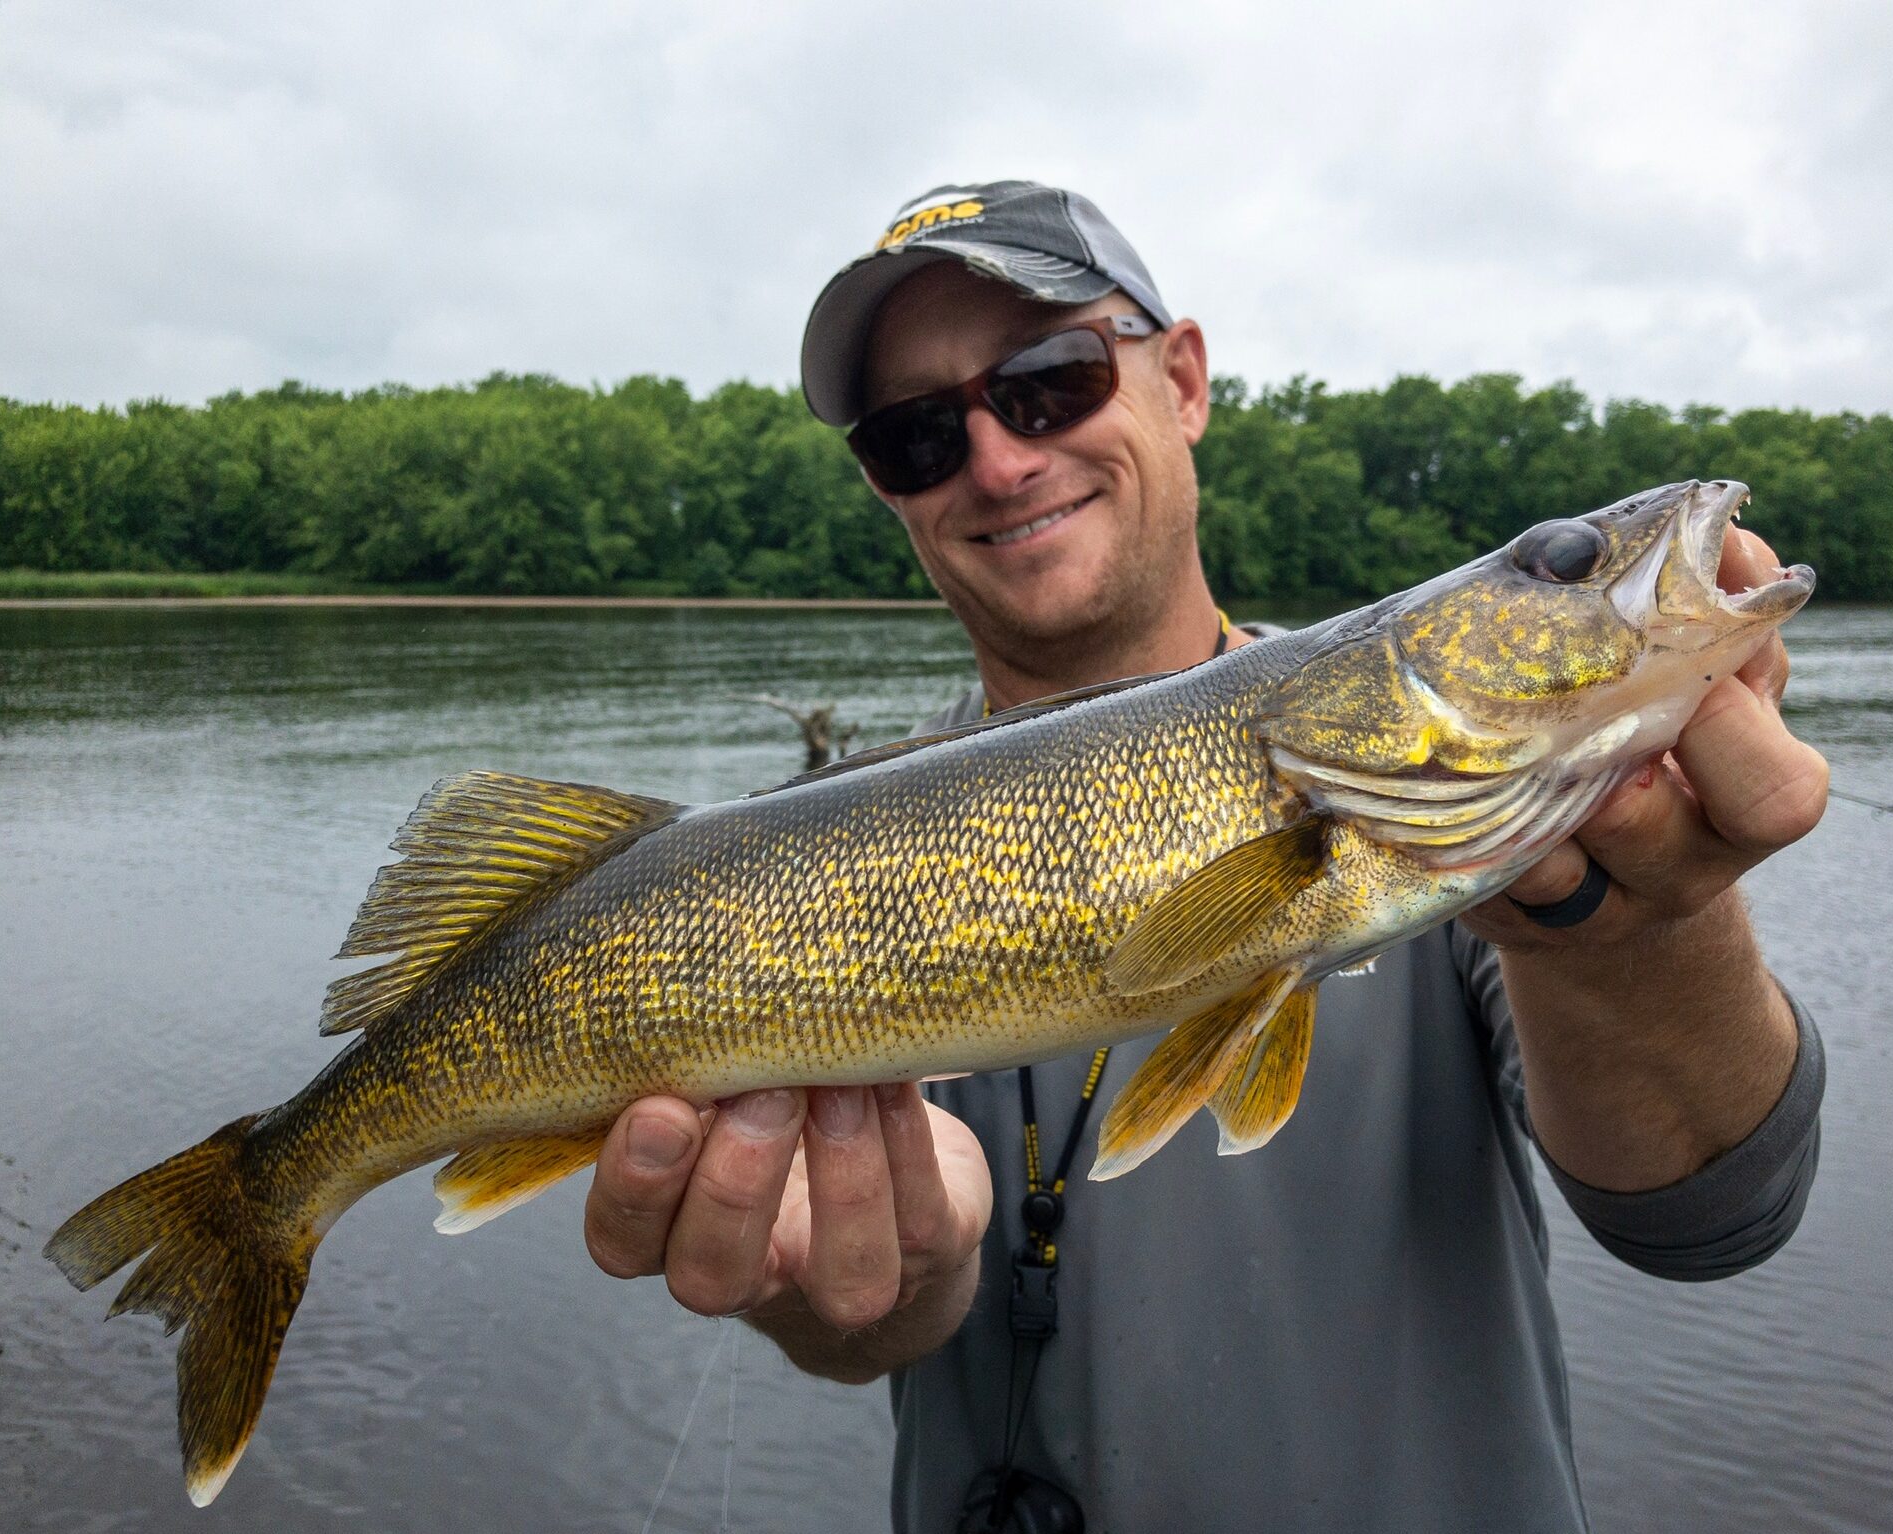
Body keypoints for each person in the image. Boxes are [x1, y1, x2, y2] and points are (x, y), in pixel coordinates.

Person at [582, 180, 1829, 1531]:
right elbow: (870, 1325)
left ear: (1180, 377)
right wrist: (854, 1296)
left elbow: (1710, 1219)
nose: (996, 460)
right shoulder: (818, 852)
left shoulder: (1450, 834)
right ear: (886, 487)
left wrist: (1629, 942)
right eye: (916, 434)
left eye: (1049, 380)